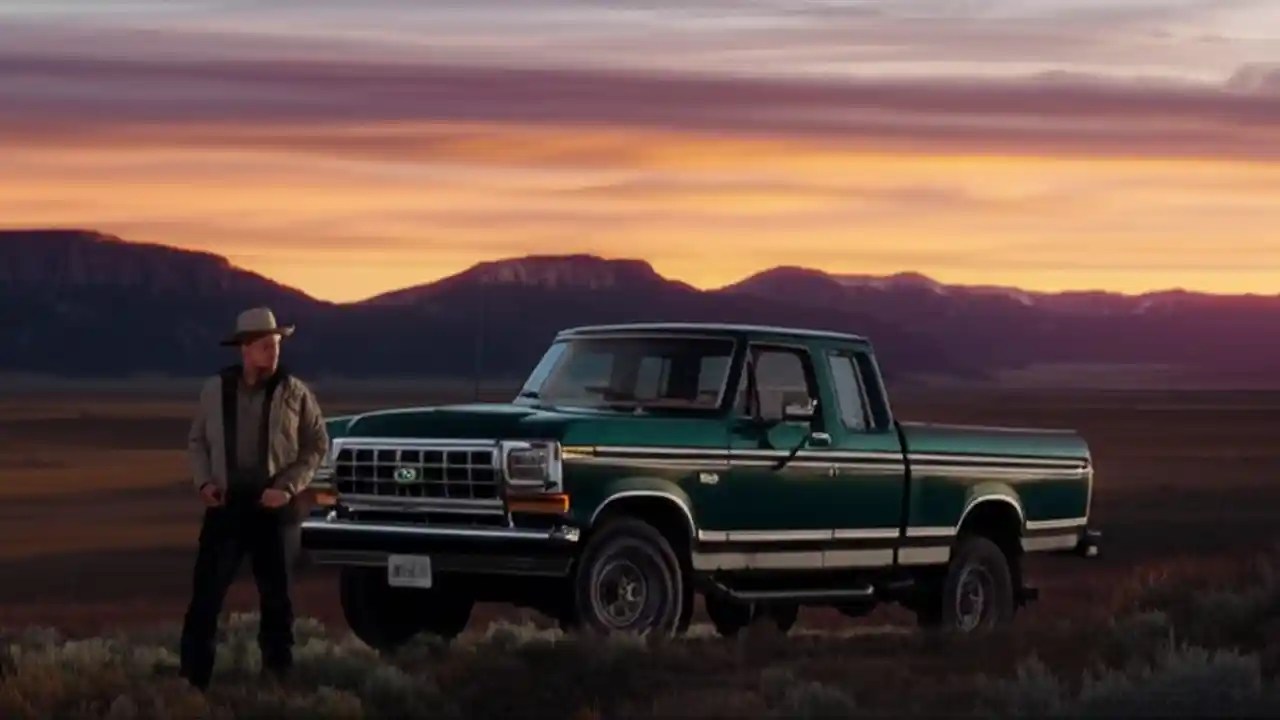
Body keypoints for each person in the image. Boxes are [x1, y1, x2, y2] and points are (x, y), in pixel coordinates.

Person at [178, 307, 329, 692]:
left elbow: (316, 444)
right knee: (206, 598)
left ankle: (278, 682)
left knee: (277, 601)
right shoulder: (216, 389)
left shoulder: (294, 391)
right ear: (245, 348)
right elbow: (197, 441)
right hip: (226, 507)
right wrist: (203, 483)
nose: (273, 352)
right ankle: (192, 684)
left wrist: (289, 487)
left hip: (274, 508)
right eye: (265, 345)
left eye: (276, 345)